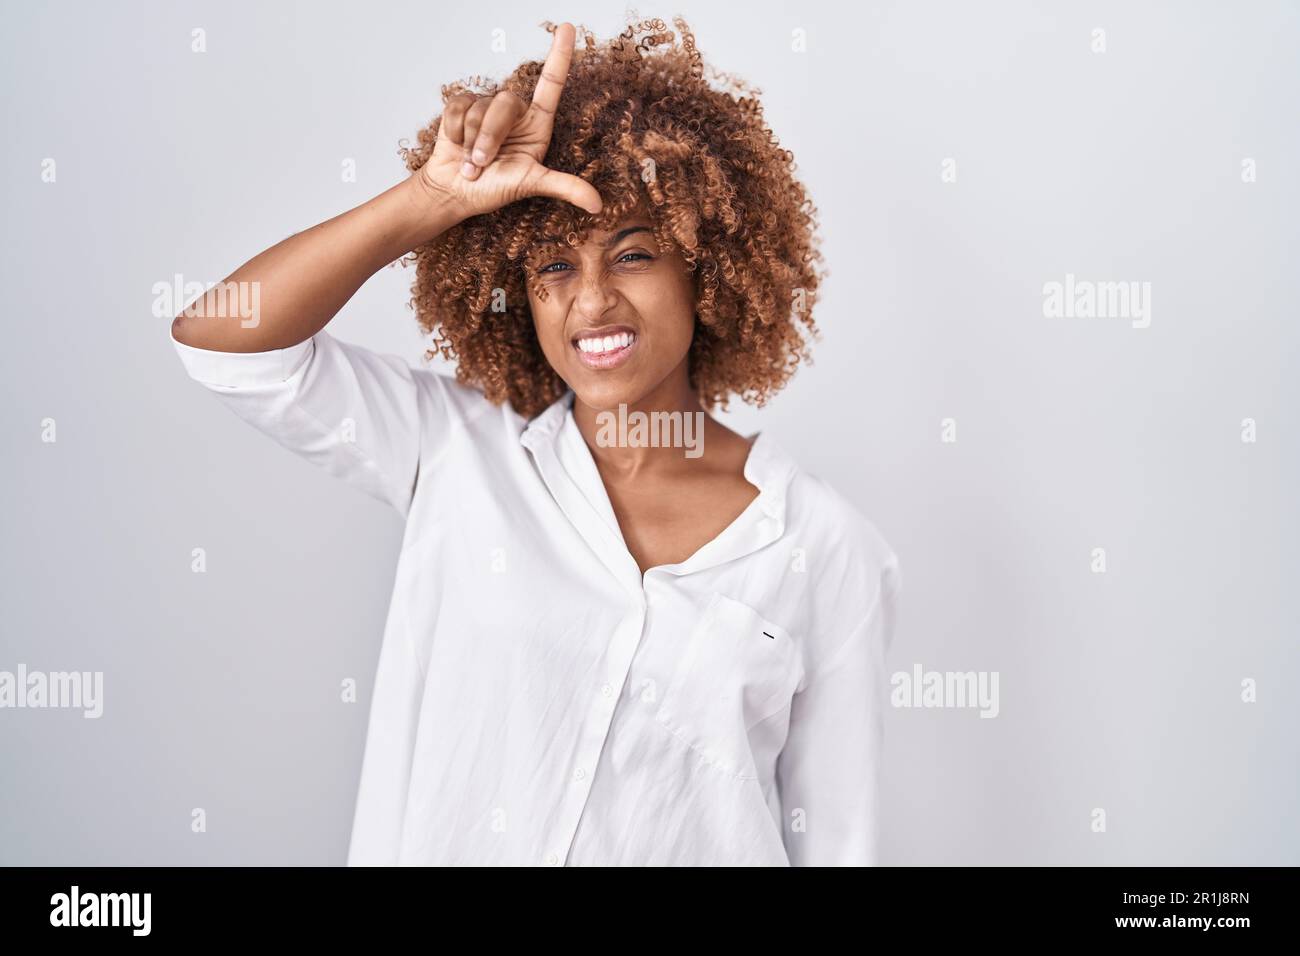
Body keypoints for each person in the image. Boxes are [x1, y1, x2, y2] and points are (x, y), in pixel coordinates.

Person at [170, 16, 901, 866]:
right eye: (554, 266)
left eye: (632, 256)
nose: (590, 301)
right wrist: (431, 201)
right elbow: (220, 342)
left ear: (704, 271)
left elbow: (838, 844)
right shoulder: (455, 453)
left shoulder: (825, 547)